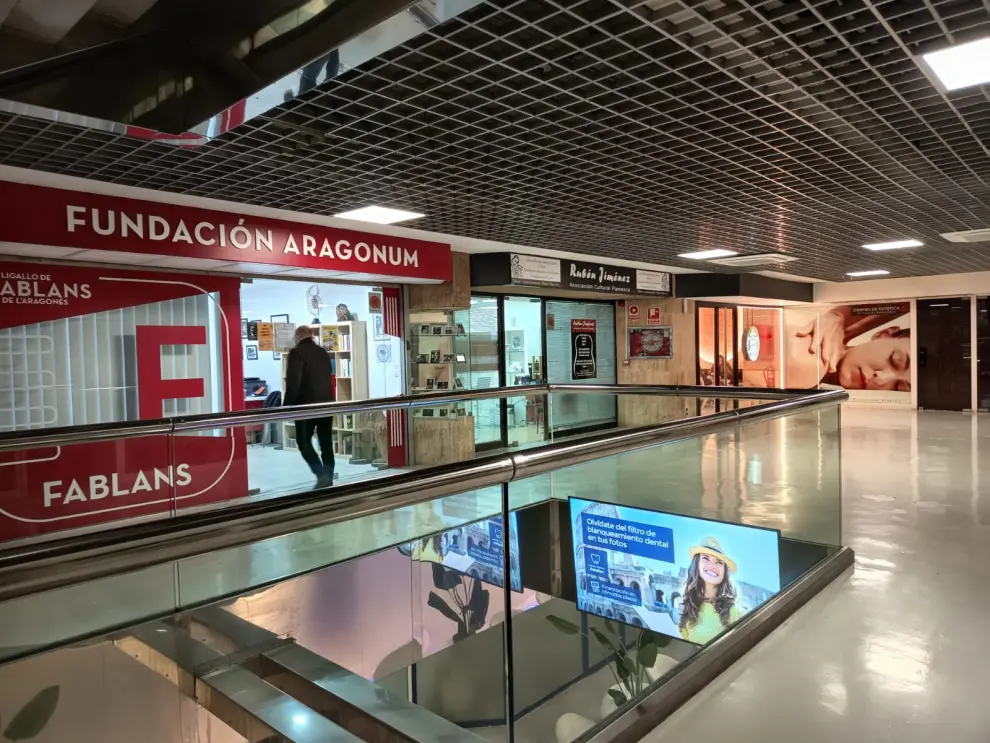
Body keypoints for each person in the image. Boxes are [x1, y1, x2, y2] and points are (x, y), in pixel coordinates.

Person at [786, 307, 911, 391]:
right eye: (895, 360)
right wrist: (840, 314)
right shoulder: (802, 350)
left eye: (898, 387)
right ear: (883, 334)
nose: (881, 378)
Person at [283, 325, 335, 488]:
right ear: (311, 336)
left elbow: (294, 383)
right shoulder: (323, 352)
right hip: (326, 404)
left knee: (303, 442)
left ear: (298, 337)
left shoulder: (296, 353)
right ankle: (328, 476)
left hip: (306, 406)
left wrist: (287, 407)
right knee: (326, 442)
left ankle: (320, 474)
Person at [678, 537, 741, 644]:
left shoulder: (735, 612)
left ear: (724, 571)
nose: (712, 566)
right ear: (696, 564)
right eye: (706, 558)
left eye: (719, 562)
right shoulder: (688, 609)